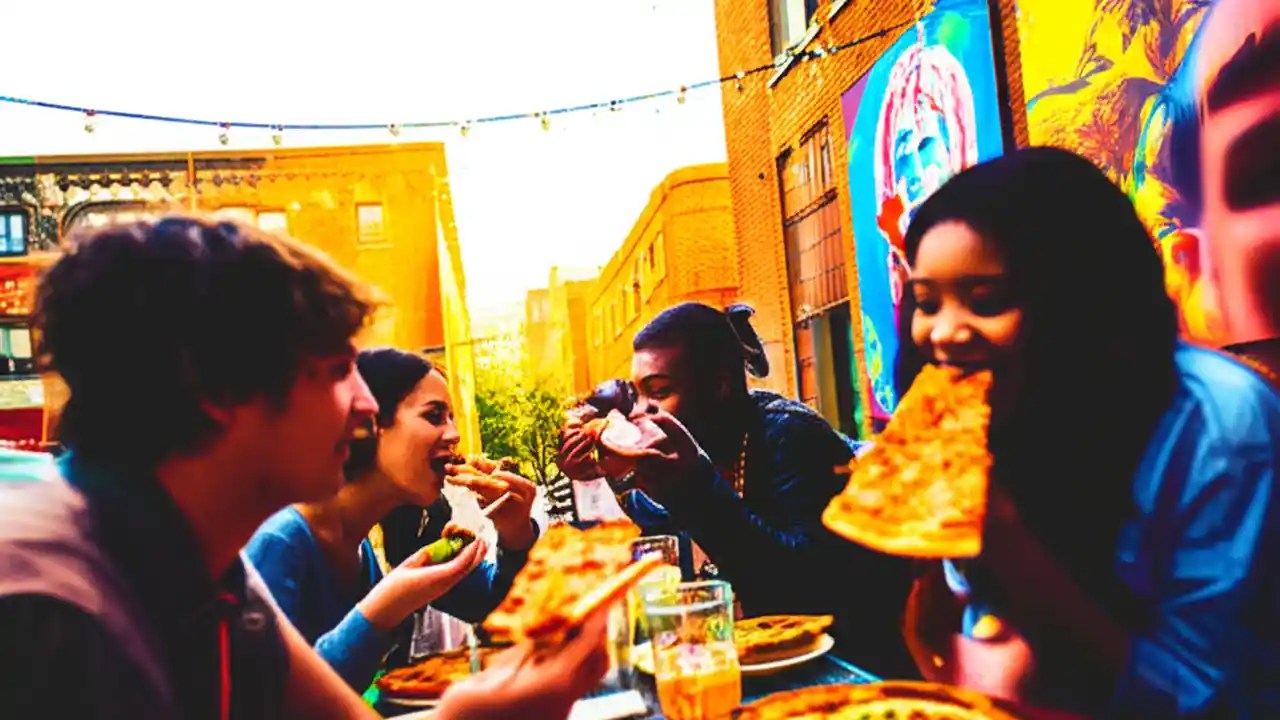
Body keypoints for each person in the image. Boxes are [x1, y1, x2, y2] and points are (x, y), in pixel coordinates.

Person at [0, 216, 609, 720]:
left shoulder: (207, 566)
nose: (367, 405)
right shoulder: (48, 610)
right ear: (222, 388)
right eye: (337, 371)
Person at [894, 148, 1280, 717]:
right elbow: (978, 638)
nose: (944, 333)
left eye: (987, 301)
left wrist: (1006, 543)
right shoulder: (990, 416)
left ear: (1072, 302)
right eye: (927, 302)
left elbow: (1212, 701)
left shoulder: (1221, 428)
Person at [561, 302, 915, 678]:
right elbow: (661, 522)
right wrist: (616, 473)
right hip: (753, 666)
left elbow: (806, 588)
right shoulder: (705, 444)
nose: (640, 412)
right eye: (638, 395)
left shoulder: (791, 435)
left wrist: (695, 489)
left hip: (851, 673)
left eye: (659, 392)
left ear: (718, 385)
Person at [245, 347, 540, 690]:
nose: (454, 434)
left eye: (452, 418)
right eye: (434, 416)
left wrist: (515, 533)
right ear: (369, 423)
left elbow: (498, 611)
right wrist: (383, 610)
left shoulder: (383, 534)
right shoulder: (278, 543)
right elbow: (271, 700)